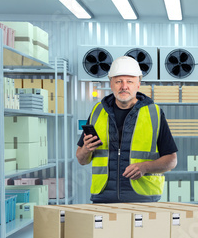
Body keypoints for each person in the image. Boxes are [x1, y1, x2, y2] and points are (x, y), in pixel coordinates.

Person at [76, 56, 177, 203]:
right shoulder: (98, 111)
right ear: (111, 84)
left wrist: (145, 167)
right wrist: (86, 149)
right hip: (103, 198)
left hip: (143, 199)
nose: (124, 86)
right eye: (118, 81)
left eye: (129, 81)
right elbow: (81, 159)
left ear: (138, 84)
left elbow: (171, 161)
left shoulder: (154, 113)